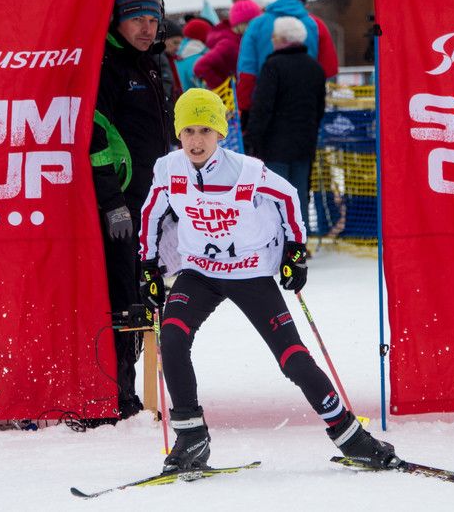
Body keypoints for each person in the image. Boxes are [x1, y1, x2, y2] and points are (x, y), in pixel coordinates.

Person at [137, 88, 395, 473]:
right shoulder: (168, 169)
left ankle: (352, 438)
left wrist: (294, 252)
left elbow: (290, 197)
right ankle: (192, 438)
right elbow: (150, 214)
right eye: (188, 131)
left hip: (250, 272)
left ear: (220, 134)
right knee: (172, 338)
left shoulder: (247, 170)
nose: (195, 141)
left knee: (292, 358)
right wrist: (148, 267)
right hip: (199, 272)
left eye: (205, 131)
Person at [90, 0, 175, 422]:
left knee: (146, 292)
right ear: (117, 21)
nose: (147, 27)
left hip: (151, 201)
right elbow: (94, 138)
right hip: (120, 204)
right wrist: (112, 202)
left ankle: (133, 389)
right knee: (121, 295)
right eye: (137, 18)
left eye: (152, 18)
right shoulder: (107, 66)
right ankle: (115, 394)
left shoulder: (153, 63)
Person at [245, 17, 326, 234]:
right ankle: (300, 239)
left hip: (275, 144)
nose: (271, 40)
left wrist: (253, 138)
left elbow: (262, 107)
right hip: (304, 142)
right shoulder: (315, 68)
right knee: (299, 193)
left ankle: (278, 238)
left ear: (282, 39)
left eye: (274, 36)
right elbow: (319, 108)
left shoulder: (273, 67)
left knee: (275, 194)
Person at [236, 0, 338, 117]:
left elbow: (247, 72)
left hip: (263, 106)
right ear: (303, 0)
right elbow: (329, 70)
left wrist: (245, 108)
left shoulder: (256, 24)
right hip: (303, 108)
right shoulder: (316, 25)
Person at [193, 0, 261, 90]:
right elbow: (200, 67)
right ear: (238, 23)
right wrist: (224, 87)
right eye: (249, 23)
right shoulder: (228, 44)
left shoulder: (243, 39)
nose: (254, 26)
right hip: (233, 99)